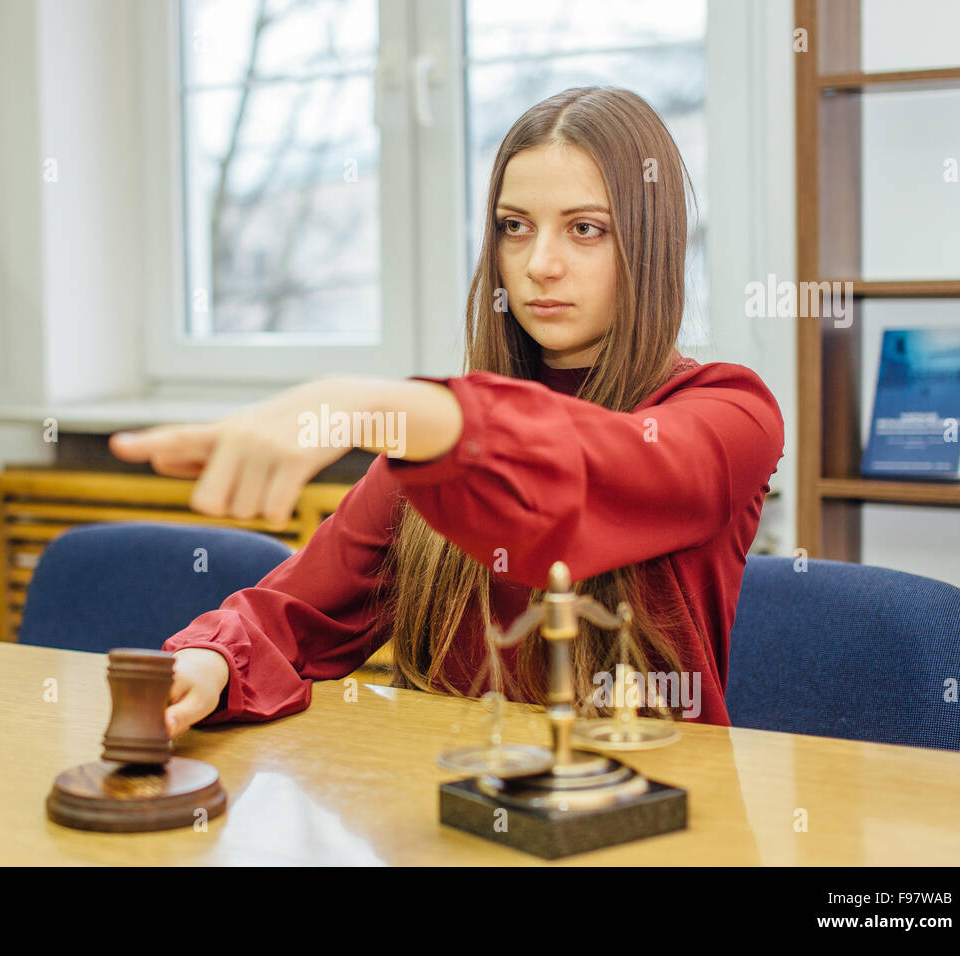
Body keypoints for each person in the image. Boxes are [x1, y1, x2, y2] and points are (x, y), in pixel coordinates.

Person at [110, 86, 785, 739]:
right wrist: (211, 663)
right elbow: (293, 613)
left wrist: (364, 405)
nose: (539, 264)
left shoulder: (733, 415)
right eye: (514, 228)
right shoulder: (436, 440)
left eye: (585, 229)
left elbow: (578, 477)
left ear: (650, 244)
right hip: (460, 819)